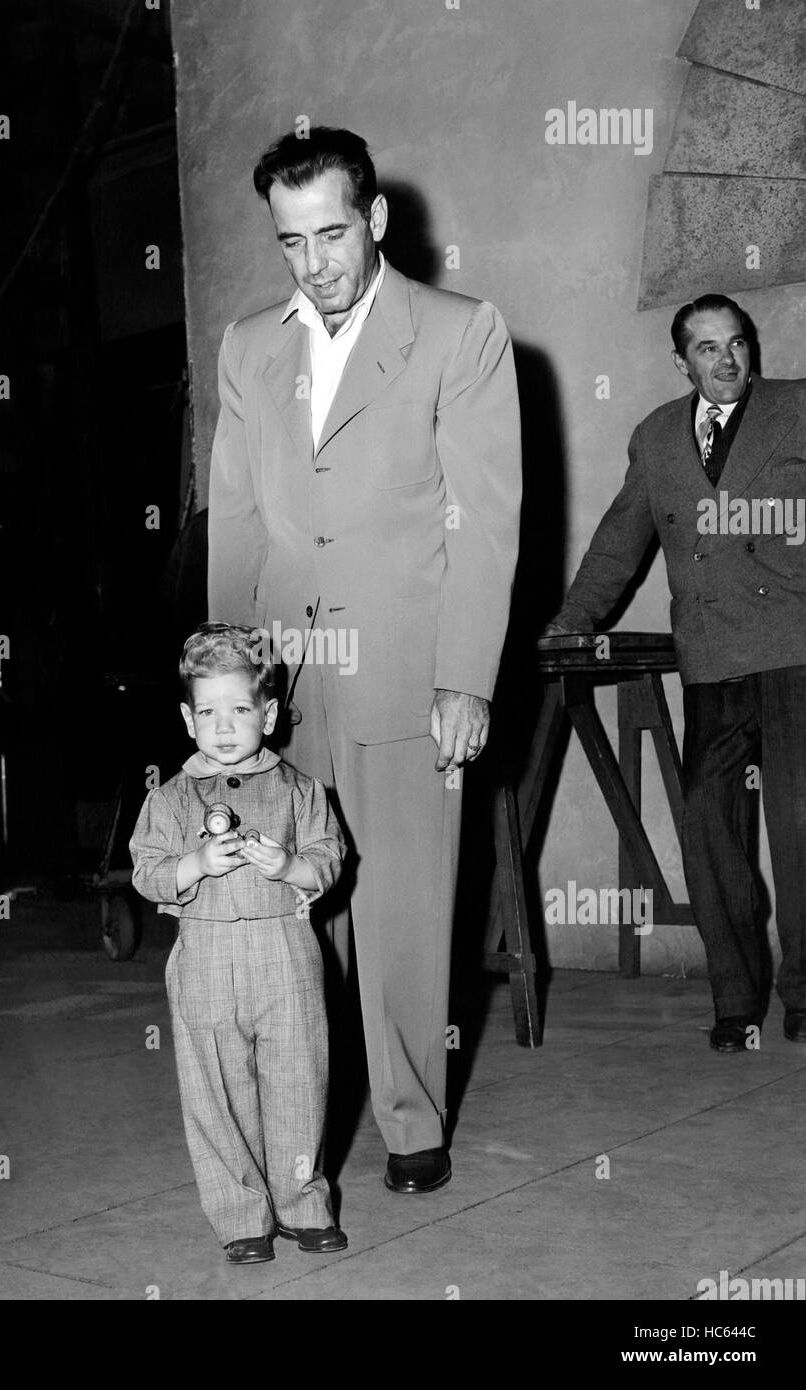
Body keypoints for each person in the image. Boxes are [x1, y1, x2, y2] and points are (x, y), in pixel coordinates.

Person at [208, 127, 521, 1192]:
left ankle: (410, 1120)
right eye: (292, 242)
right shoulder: (248, 346)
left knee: (400, 910)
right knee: (289, 903)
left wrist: (466, 677)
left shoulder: (460, 332)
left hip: (406, 670)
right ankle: (305, 1119)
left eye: (332, 233)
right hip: (285, 685)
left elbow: (483, 520)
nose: (315, 263)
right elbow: (240, 522)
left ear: (376, 219)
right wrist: (224, 681)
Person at [549, 294, 806, 1053]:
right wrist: (571, 623)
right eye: (706, 349)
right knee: (709, 836)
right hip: (709, 661)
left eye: (735, 344)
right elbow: (617, 542)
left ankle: (805, 994)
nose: (726, 361)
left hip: (793, 649)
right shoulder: (656, 437)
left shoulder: (796, 410)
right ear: (680, 361)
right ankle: (735, 999)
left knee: (799, 832)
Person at [129, 622, 347, 1264]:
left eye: (241, 709)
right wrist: (194, 864)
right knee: (214, 1092)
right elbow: (146, 869)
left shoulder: (302, 791)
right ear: (187, 719)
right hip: (203, 958)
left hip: (286, 954)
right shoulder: (166, 799)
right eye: (208, 711)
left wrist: (287, 868)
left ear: (271, 713)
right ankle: (240, 1216)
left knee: (299, 1082)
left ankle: (304, 1204)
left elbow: (329, 859)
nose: (224, 726)